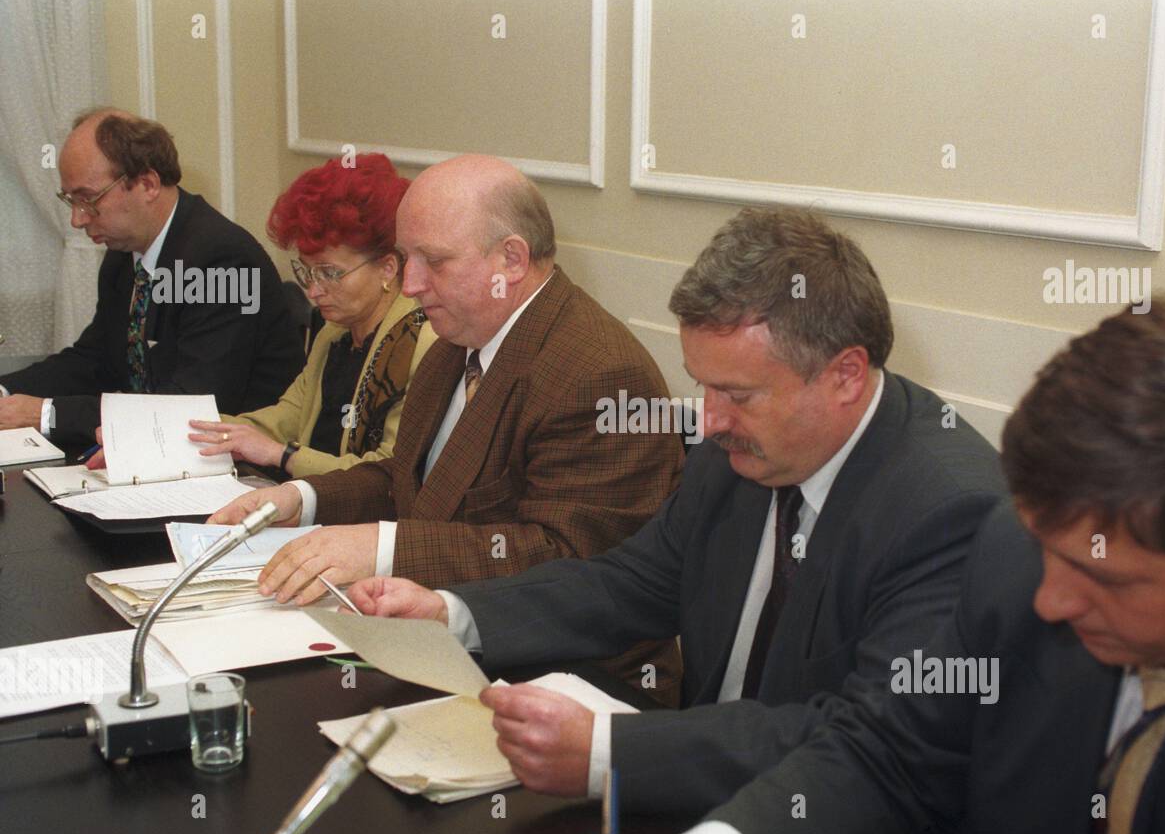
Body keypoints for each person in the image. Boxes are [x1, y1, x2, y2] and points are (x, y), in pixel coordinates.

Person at [345, 206, 1006, 815]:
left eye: (736, 394)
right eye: (702, 385)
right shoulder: (741, 450)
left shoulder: (947, 512)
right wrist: (454, 614)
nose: (708, 420)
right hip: (698, 799)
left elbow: (868, 738)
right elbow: (631, 584)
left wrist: (611, 754)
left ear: (845, 375)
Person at [685, 293, 1165, 834]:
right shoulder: (1012, 557)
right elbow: (888, 755)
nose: (1051, 602)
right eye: (1045, 549)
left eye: (1106, 578)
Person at [210, 154, 684, 703]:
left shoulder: (599, 373)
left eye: (433, 261)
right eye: (406, 258)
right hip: (443, 643)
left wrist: (382, 547)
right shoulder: (458, 339)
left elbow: (565, 561)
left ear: (511, 259)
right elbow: (408, 479)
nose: (409, 284)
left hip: (570, 682)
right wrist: (301, 497)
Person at [0, 108, 303, 445]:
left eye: (88, 199)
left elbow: (191, 407)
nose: (77, 219)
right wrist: (5, 391)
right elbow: (95, 358)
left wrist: (44, 414)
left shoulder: (222, 259)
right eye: (70, 200)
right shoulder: (124, 252)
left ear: (147, 184)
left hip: (235, 466)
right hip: (152, 450)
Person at [186, 155, 435, 477]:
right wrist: (180, 433)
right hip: (313, 500)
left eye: (330, 273)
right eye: (307, 272)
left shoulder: (422, 344)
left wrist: (283, 456)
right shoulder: (335, 333)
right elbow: (287, 418)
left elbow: (389, 473)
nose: (313, 291)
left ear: (388, 267)